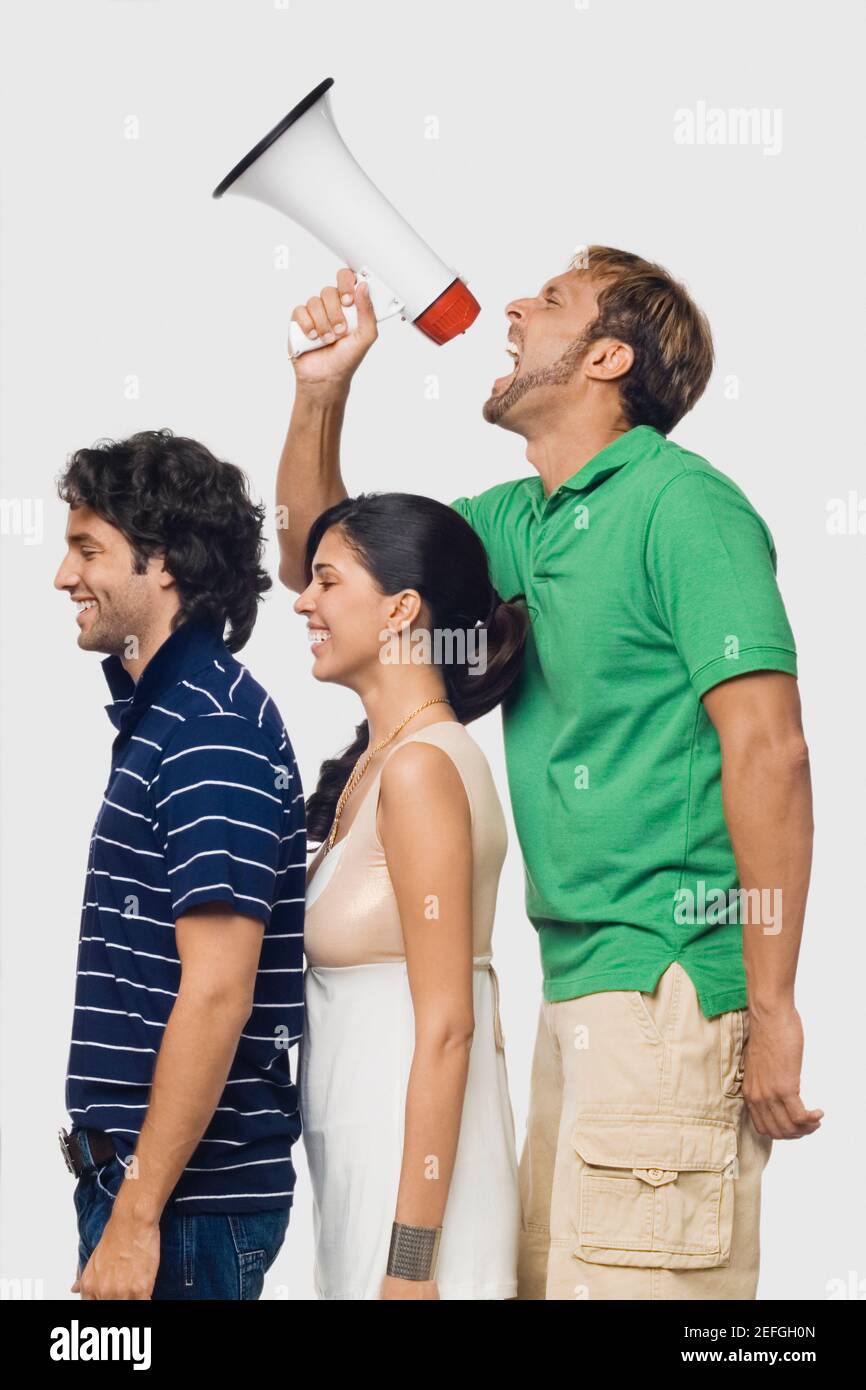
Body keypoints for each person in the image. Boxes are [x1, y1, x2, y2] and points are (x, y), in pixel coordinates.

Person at [274, 249, 822, 1301]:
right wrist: (321, 391)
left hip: (666, 986)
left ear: (607, 356)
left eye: (552, 300)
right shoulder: (526, 523)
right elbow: (331, 564)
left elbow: (771, 750)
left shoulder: (681, 507)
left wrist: (771, 1003)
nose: (512, 306)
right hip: (577, 993)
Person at [54, 429, 305, 1300]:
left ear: (162, 564)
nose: (64, 577)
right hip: (150, 1199)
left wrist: (135, 1214)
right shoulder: (172, 717)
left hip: (179, 1212)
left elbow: (218, 990)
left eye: (89, 550)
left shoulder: (209, 729)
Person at [296, 492, 528, 1299]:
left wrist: (410, 1265)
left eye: (327, 581)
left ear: (400, 607)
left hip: (419, 1217)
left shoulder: (422, 768)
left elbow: (449, 1026)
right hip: (367, 1186)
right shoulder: (379, 761)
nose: (304, 601)